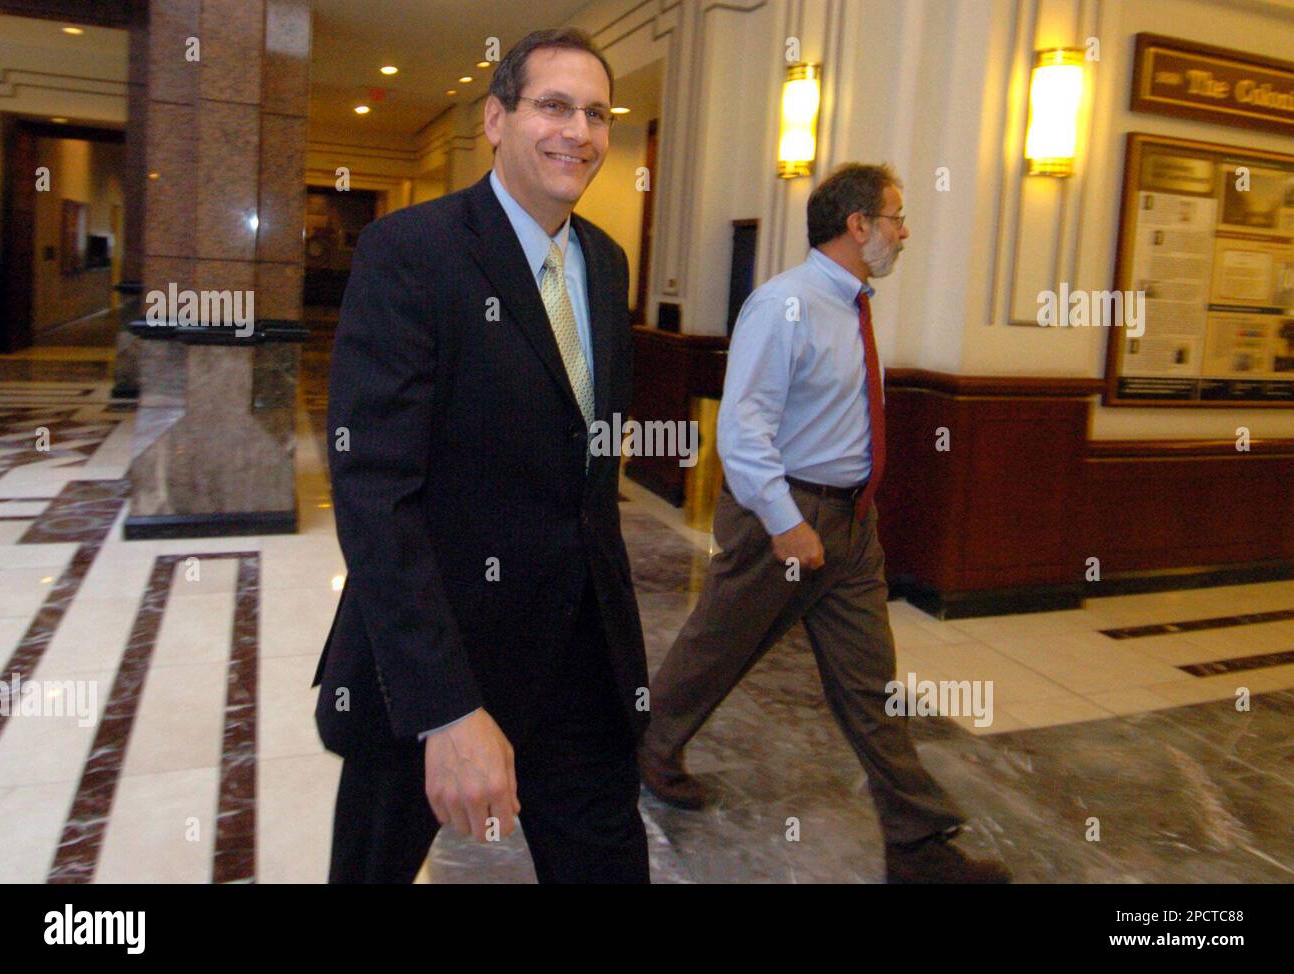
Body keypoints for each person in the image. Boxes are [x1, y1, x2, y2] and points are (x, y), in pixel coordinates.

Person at [313, 28, 650, 884]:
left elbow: (586, 478)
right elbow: (375, 489)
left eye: (596, 113)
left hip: (577, 660)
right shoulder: (411, 253)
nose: (578, 130)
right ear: (496, 120)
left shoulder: (606, 266)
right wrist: (446, 707)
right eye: (553, 106)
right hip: (432, 662)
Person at [637, 163, 1012, 884]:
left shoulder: (855, 306)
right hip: (785, 515)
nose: (905, 233)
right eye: (896, 218)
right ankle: (652, 746)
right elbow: (743, 430)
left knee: (869, 685)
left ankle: (915, 846)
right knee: (721, 645)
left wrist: (848, 516)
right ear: (858, 225)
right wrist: (786, 523)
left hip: (849, 524)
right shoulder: (785, 304)